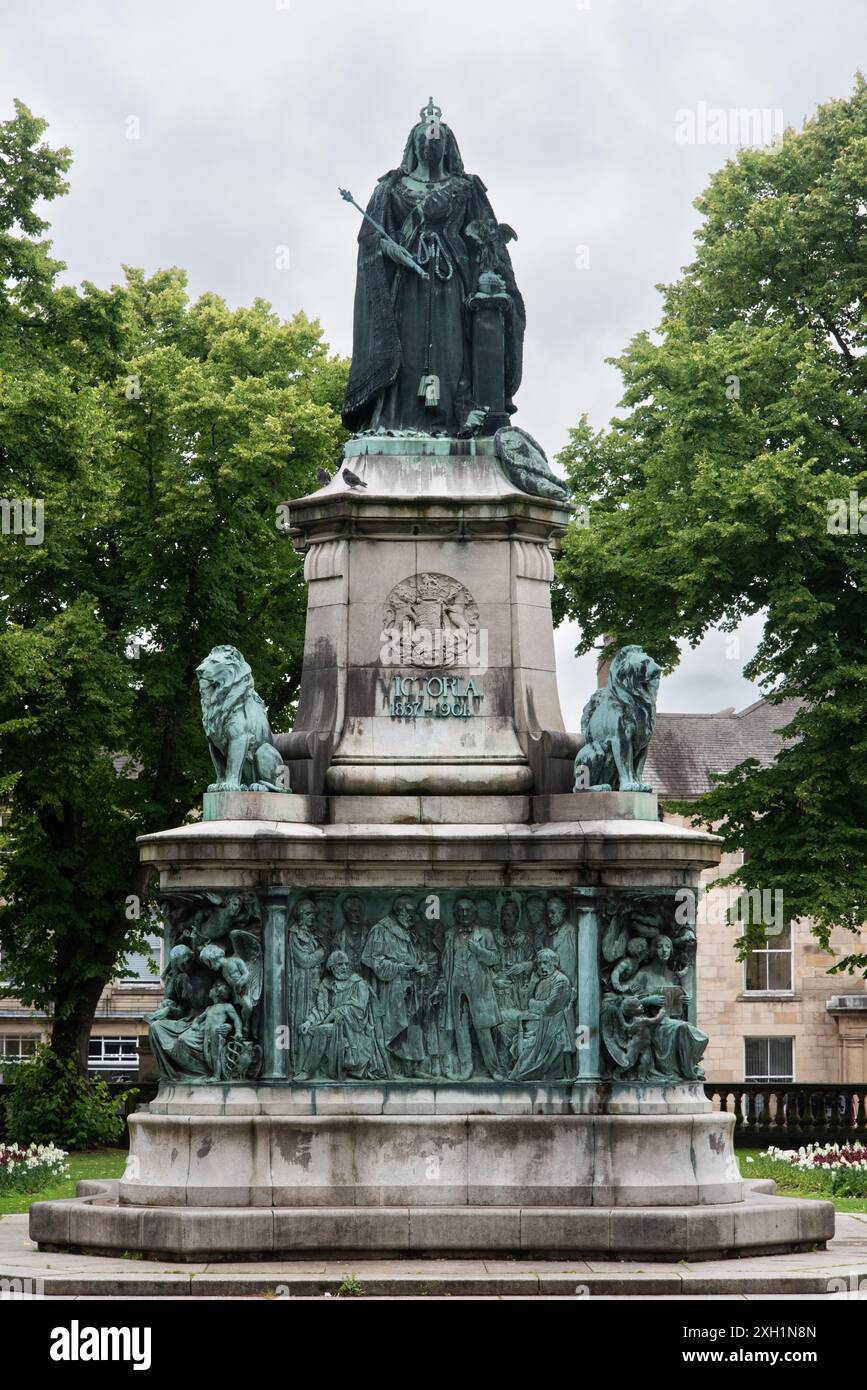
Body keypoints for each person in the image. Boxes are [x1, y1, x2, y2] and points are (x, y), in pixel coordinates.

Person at [341, 101, 525, 436]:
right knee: (407, 348)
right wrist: (389, 246)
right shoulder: (391, 188)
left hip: (450, 283)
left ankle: (454, 418)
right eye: (425, 141)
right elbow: (369, 238)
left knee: (450, 346)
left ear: (447, 147)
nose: (431, 145)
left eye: (437, 141)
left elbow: (485, 238)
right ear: (414, 145)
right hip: (406, 285)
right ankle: (397, 419)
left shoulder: (467, 189)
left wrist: (491, 262)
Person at [362, 894, 430, 1076]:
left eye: (414, 912)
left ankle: (412, 1067)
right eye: (409, 912)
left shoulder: (409, 932)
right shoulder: (381, 930)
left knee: (413, 1025)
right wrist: (398, 967)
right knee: (393, 1026)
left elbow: (417, 957)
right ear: (398, 910)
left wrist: (423, 965)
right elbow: (373, 961)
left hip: (411, 986)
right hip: (389, 987)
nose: (412, 916)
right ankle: (390, 1068)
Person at [436, 897, 503, 1080]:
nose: (464, 914)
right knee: (460, 1028)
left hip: (479, 988)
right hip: (456, 987)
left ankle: (494, 1069)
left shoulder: (485, 933)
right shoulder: (450, 934)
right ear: (456, 914)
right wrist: (442, 985)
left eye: (468, 910)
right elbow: (445, 963)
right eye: (460, 910)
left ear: (474, 913)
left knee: (483, 1029)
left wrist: (479, 950)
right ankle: (466, 1068)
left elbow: (495, 959)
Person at [297, 951, 389, 1081]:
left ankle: (307, 1071)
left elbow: (359, 1010)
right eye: (340, 964)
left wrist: (337, 1012)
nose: (344, 967)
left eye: (346, 964)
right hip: (333, 1024)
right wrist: (308, 1022)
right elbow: (321, 1010)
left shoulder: (359, 983)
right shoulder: (326, 984)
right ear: (332, 967)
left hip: (353, 1029)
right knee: (307, 1031)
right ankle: (316, 1072)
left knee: (322, 1030)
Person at [509, 949, 573, 1081]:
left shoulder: (561, 981)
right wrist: (532, 983)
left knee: (531, 1054)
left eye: (545, 963)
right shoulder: (542, 980)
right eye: (539, 964)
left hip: (554, 1025)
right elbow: (526, 1004)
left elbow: (550, 1007)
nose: (542, 967)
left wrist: (533, 1003)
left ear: (554, 963)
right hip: (539, 1023)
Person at [287, 899, 326, 1075]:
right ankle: (298, 1066)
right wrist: (323, 952)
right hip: (300, 986)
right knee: (301, 1022)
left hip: (314, 984)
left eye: (314, 914)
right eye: (308, 914)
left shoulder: (312, 936)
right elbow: (304, 960)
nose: (312, 918)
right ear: (300, 915)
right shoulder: (294, 934)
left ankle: (310, 1067)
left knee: (312, 1020)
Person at [202, 983, 243, 1082]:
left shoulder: (227, 1006)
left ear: (217, 993)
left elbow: (236, 1019)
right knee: (208, 1056)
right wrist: (195, 1023)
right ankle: (213, 1072)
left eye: (212, 989)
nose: (209, 990)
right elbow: (199, 1019)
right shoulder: (209, 1008)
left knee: (215, 1055)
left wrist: (238, 1032)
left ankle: (216, 1075)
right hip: (206, 1035)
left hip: (217, 1033)